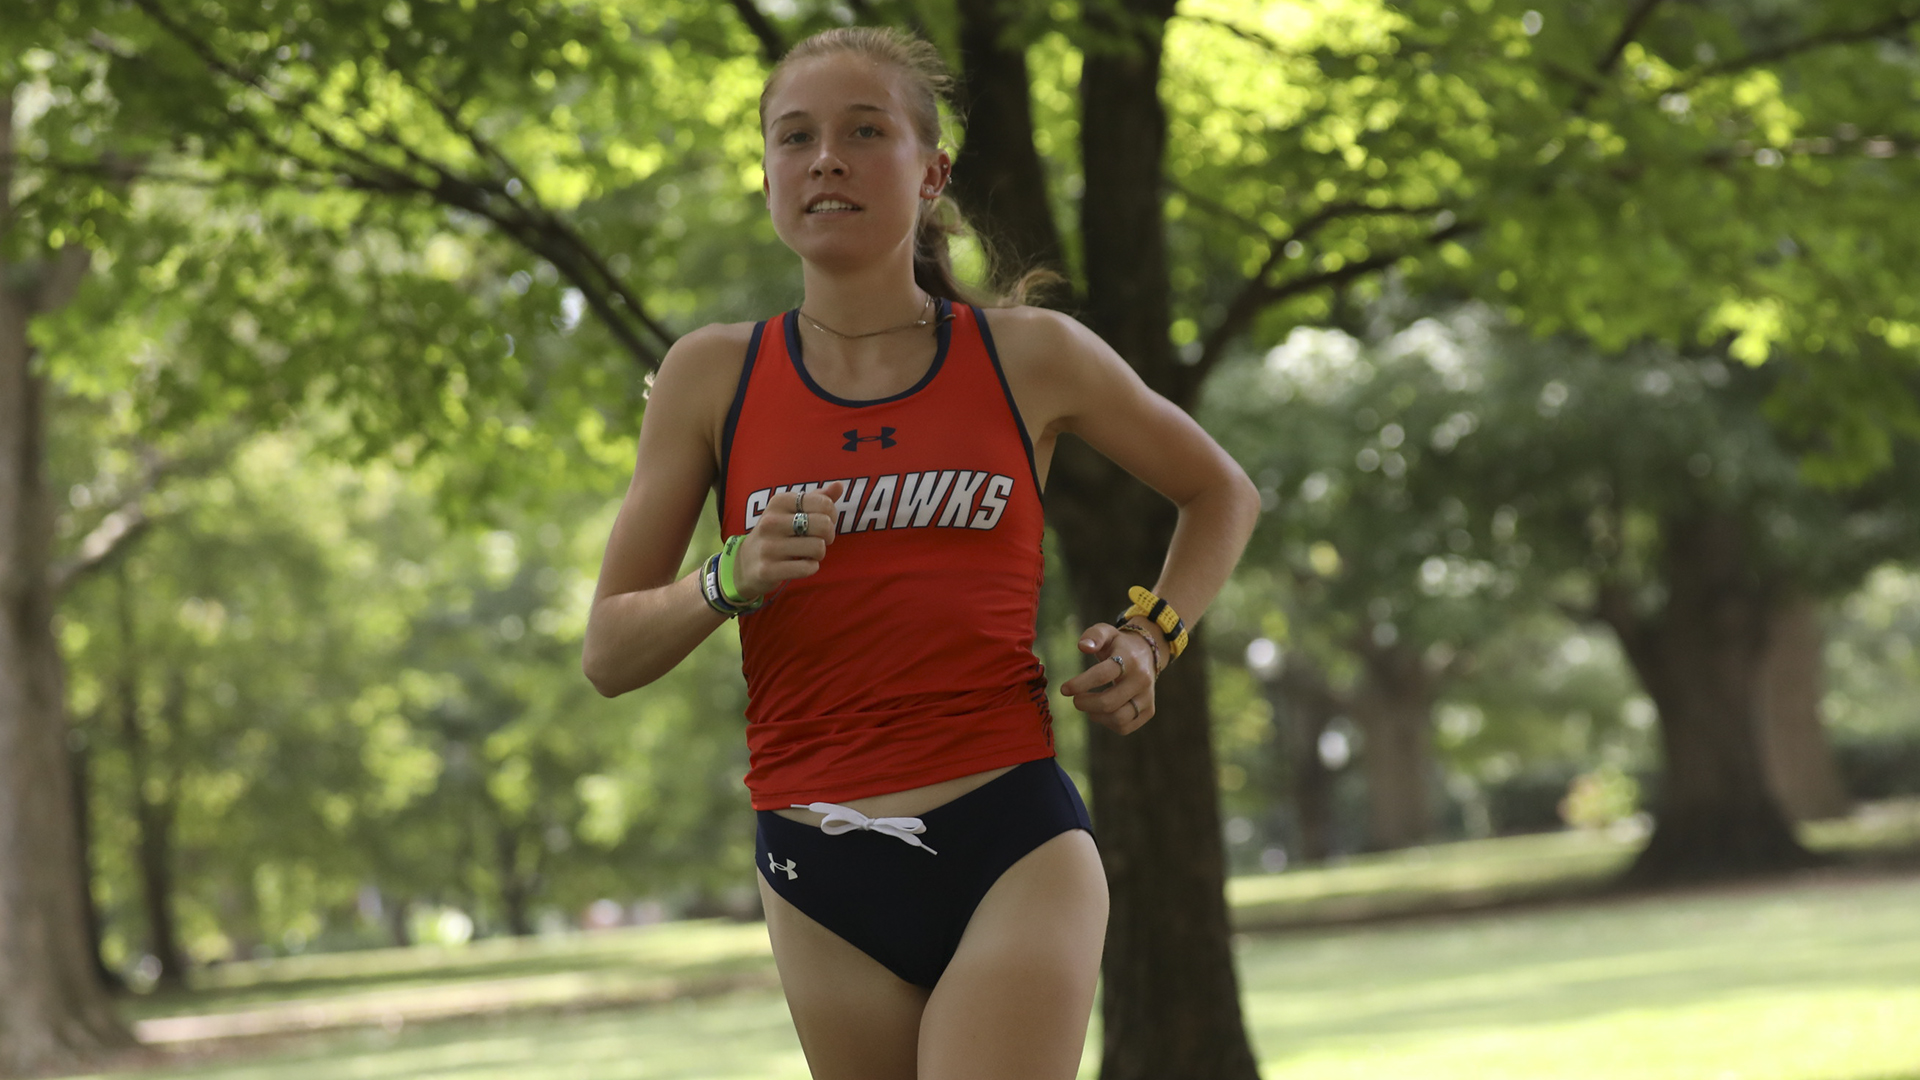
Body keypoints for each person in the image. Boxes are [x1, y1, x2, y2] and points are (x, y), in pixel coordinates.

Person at [583, 26, 1258, 1080]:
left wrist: (1152, 638)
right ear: (767, 172)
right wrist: (727, 578)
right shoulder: (711, 376)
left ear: (931, 171)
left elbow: (1220, 489)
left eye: (864, 131)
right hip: (816, 861)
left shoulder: (1028, 355)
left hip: (1010, 840)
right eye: (793, 137)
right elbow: (608, 652)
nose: (826, 160)